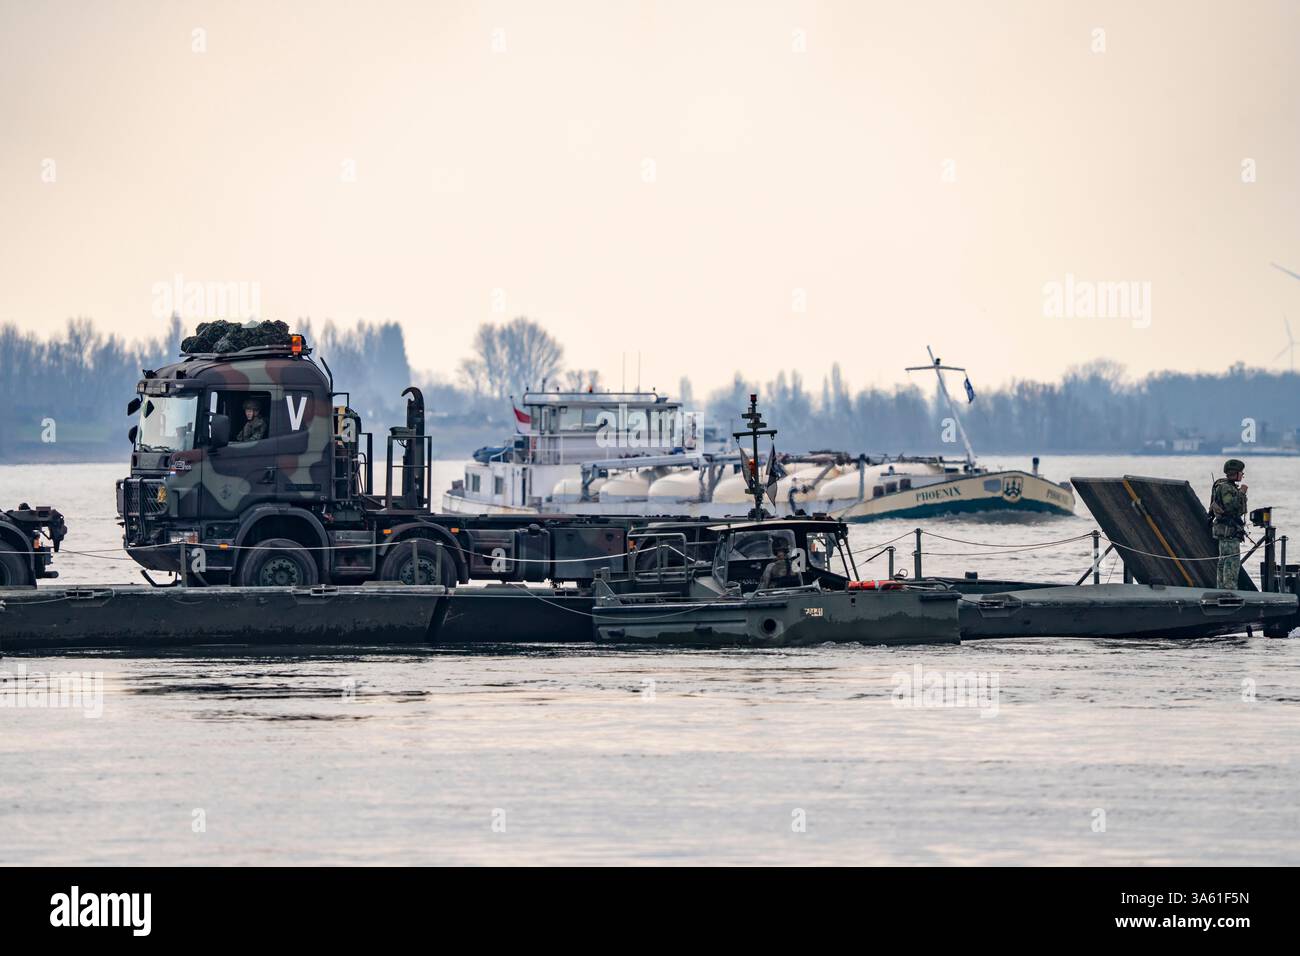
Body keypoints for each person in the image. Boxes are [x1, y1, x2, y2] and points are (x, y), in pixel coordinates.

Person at [1210, 459, 1248, 589]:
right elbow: (1231, 506)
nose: (1242, 475)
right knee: (1231, 562)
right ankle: (1229, 591)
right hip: (1229, 531)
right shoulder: (1226, 487)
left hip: (1225, 531)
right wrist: (1242, 492)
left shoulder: (1223, 486)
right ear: (1236, 473)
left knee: (1223, 561)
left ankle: (1221, 589)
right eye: (1241, 472)